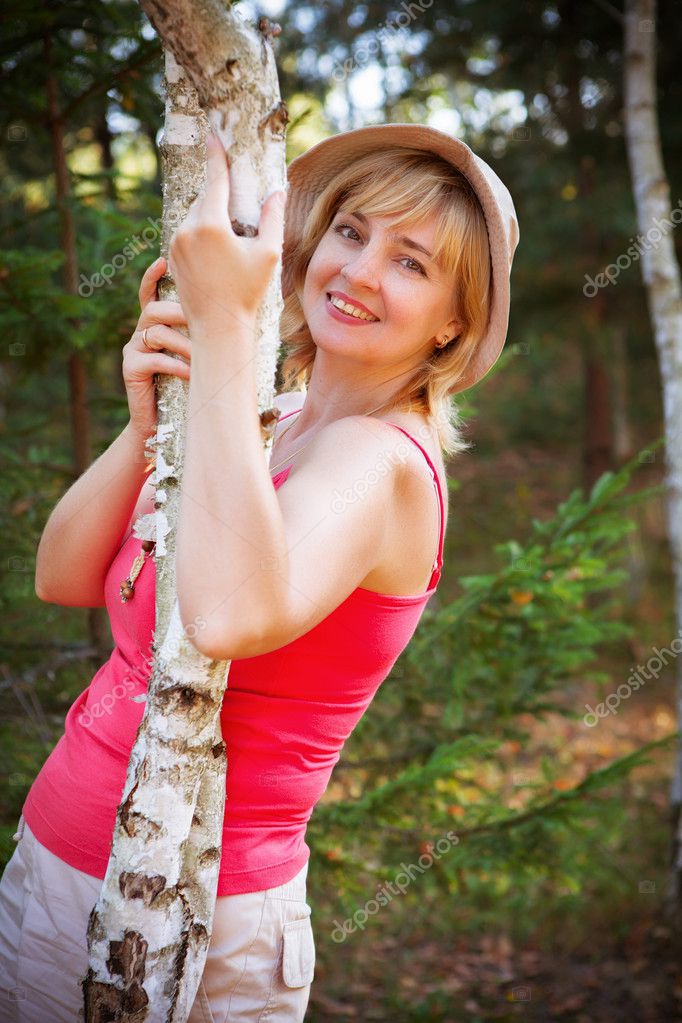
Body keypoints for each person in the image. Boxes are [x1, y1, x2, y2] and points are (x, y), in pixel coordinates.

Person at [0, 122, 519, 1023]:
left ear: (454, 325)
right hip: (53, 865)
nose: (357, 271)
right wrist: (146, 425)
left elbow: (229, 617)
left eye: (411, 261)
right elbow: (64, 574)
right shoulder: (269, 417)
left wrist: (230, 328)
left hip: (197, 920)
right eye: (351, 232)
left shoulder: (384, 462)